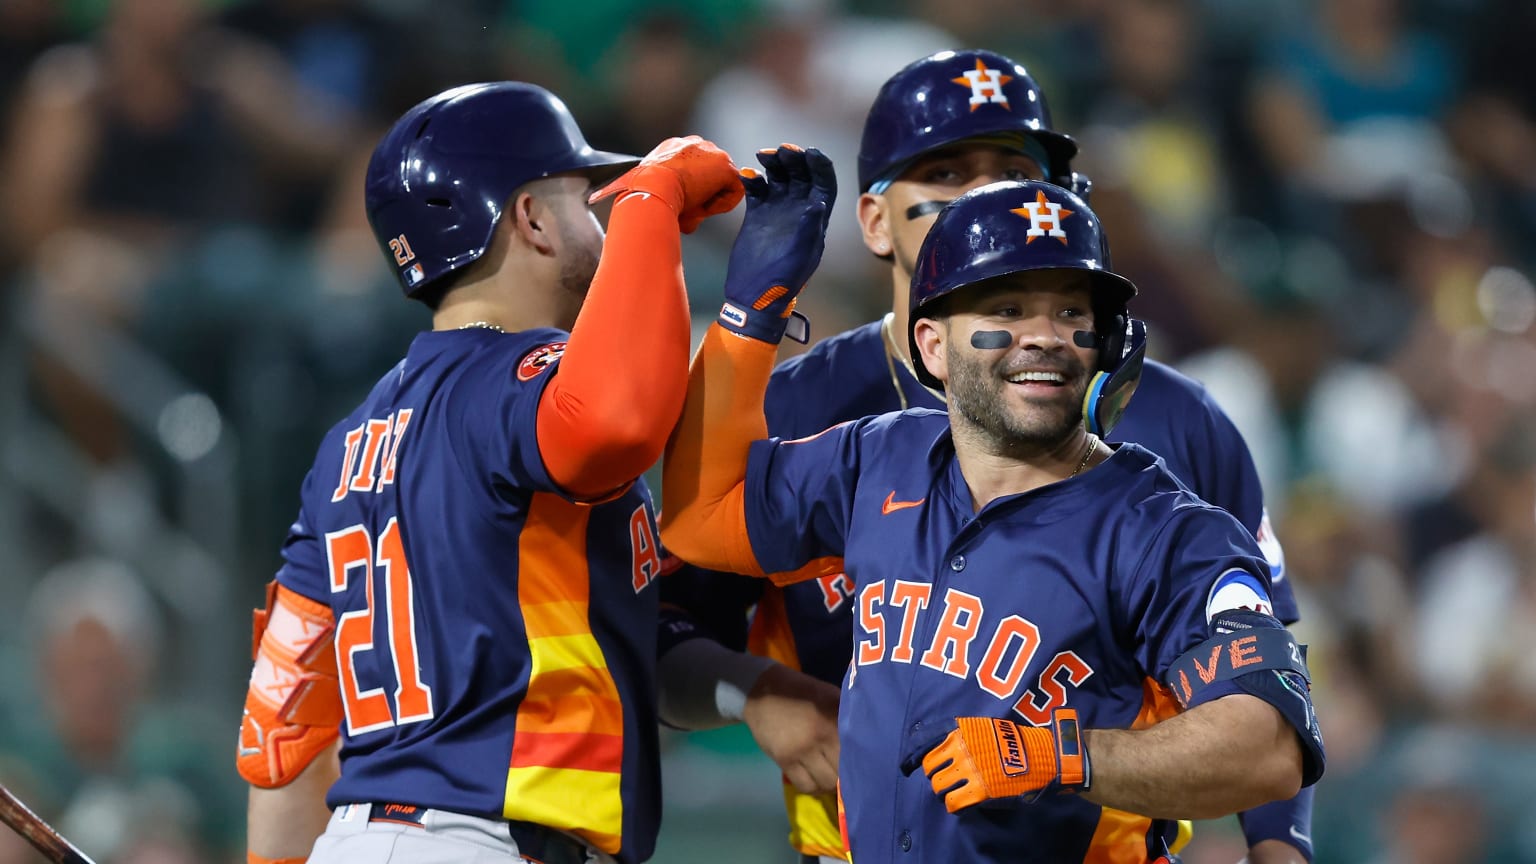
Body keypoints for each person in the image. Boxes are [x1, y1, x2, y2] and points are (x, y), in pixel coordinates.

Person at [661, 49, 1313, 864]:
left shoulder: (1167, 490)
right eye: (949, 172)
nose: (986, 195)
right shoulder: (861, 448)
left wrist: (1272, 845)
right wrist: (745, 316)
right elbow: (686, 553)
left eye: (1068, 313)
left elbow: (1269, 717)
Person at [234, 81, 745, 864]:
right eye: (584, 198)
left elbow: (283, 722)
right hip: (482, 836)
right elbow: (617, 418)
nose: (599, 224)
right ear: (531, 218)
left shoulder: (346, 446)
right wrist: (653, 201)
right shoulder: (514, 380)